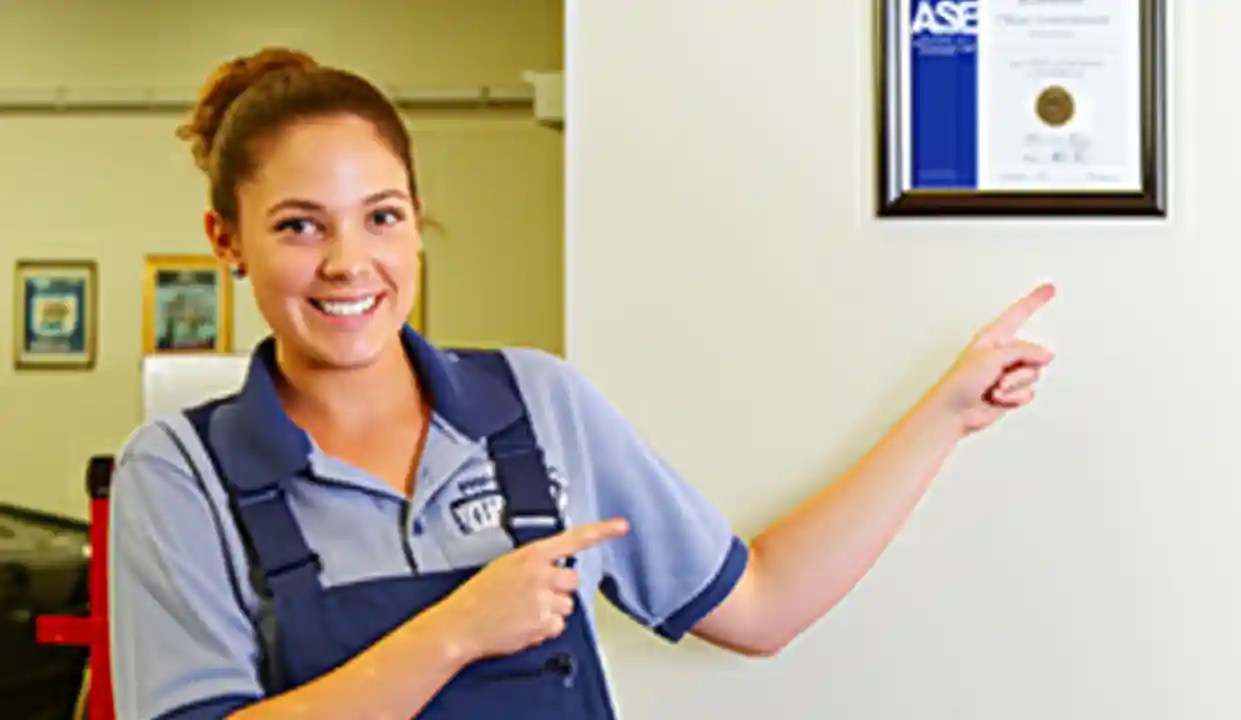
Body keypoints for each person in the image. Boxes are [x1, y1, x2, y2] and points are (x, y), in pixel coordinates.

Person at [107, 47, 1056, 720]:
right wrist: (455, 633)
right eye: (300, 226)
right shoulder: (181, 472)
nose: (350, 263)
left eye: (381, 217)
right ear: (226, 240)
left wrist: (946, 417)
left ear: (416, 219)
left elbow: (759, 604)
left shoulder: (536, 403)